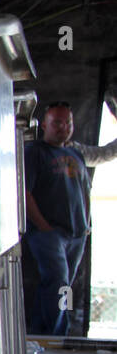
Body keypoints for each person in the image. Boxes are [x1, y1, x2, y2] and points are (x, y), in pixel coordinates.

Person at [23, 101, 117, 335]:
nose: (63, 127)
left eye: (68, 123)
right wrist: (43, 227)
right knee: (59, 284)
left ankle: (39, 335)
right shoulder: (35, 152)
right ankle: (59, 337)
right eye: (57, 123)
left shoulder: (75, 153)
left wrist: (85, 224)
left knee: (62, 287)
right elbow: (24, 192)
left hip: (76, 233)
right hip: (49, 233)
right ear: (45, 125)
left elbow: (84, 189)